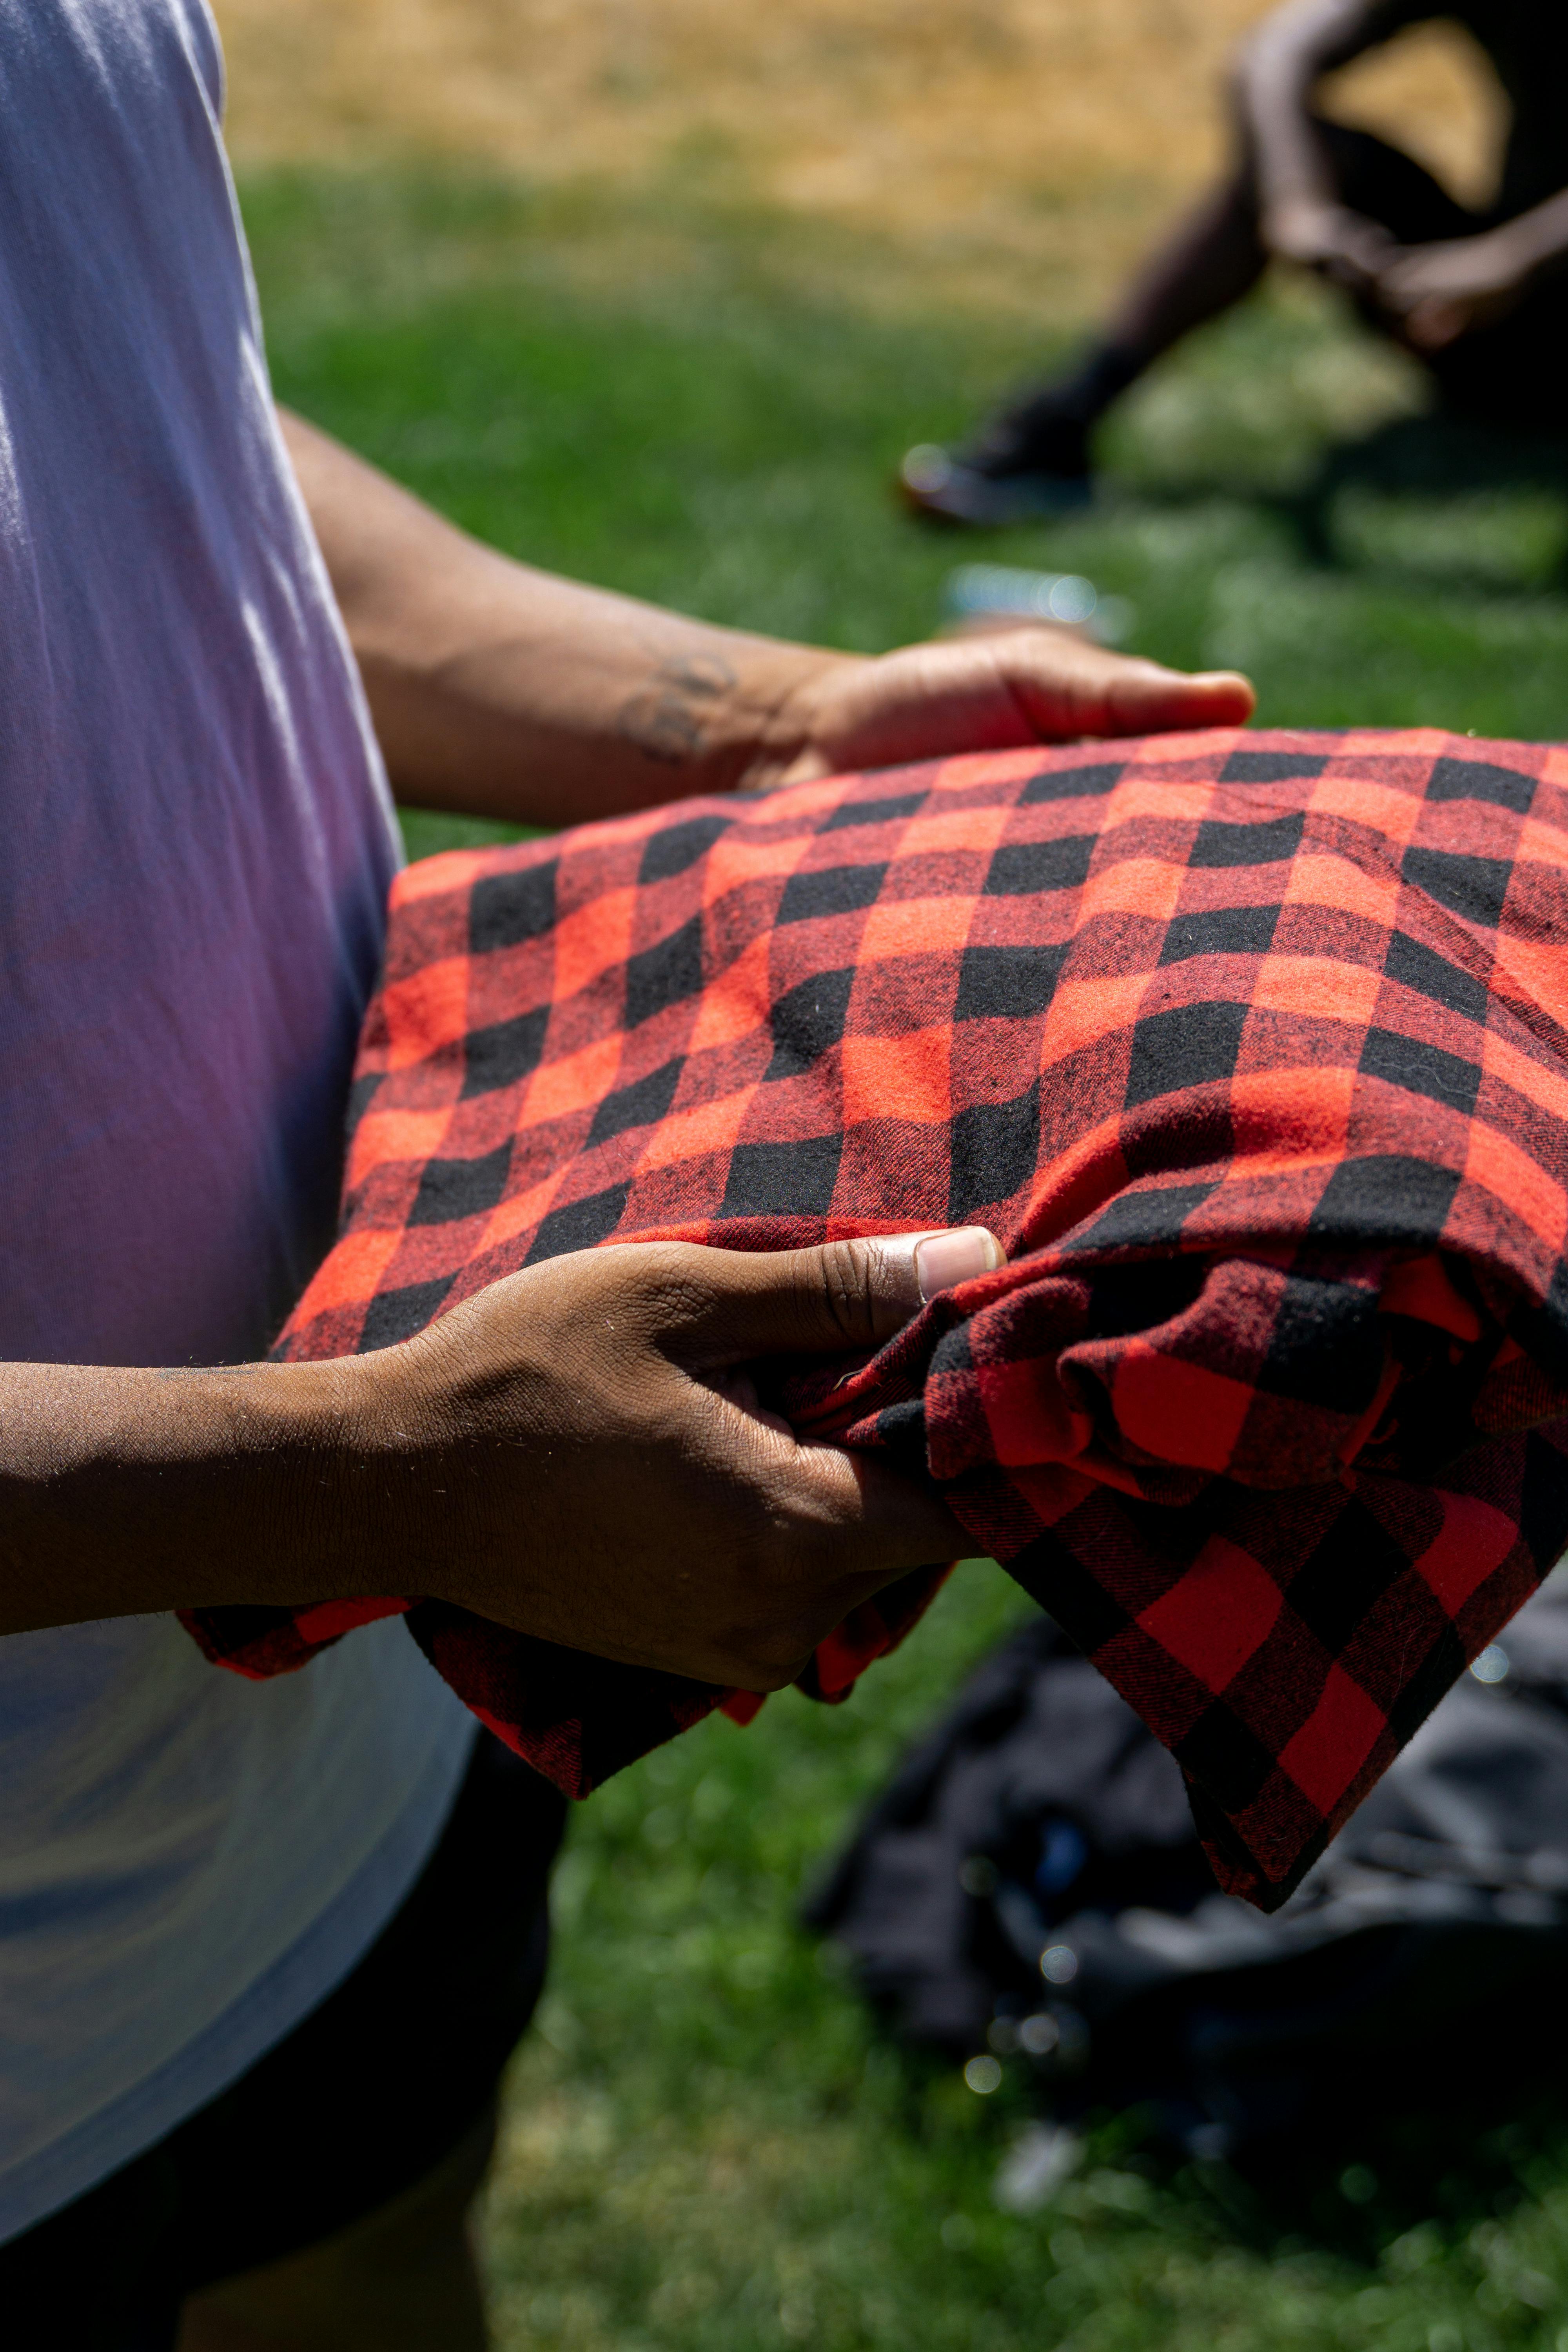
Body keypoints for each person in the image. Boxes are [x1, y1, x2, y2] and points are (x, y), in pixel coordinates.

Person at [0, 4, 1255, 2345]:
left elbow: (122, 410)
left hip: (333, 1739)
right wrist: (378, 1473)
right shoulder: (400, 1479)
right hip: (102, 1897)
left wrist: (758, 726)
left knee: (373, 2248)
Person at [901, 0, 1568, 526]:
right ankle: (1062, 423)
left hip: (1528, 301)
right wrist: (1299, 209)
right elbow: (1272, 59)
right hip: (1481, 324)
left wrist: (1513, 261)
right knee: (1306, 154)